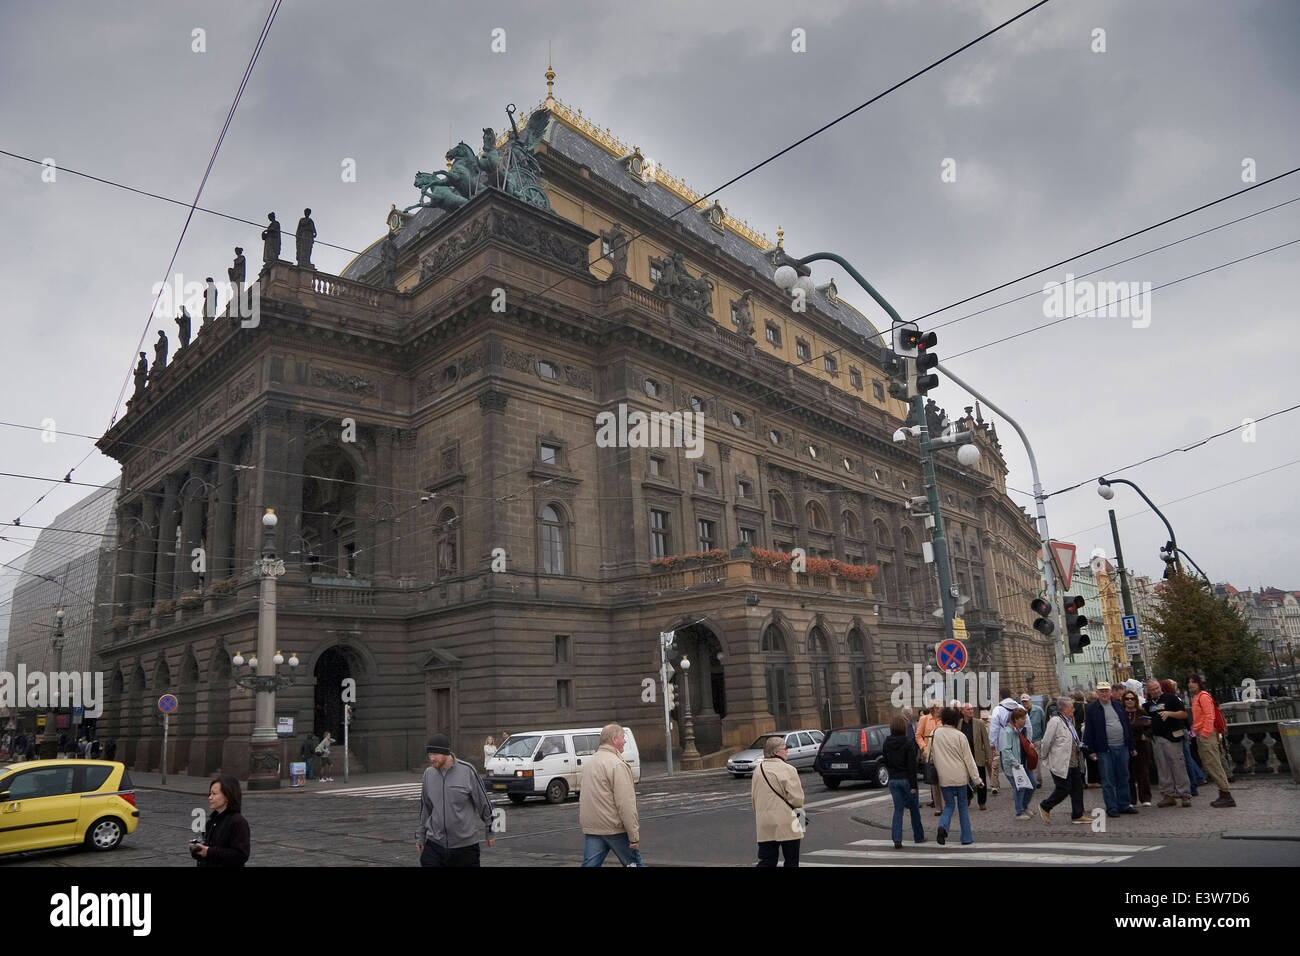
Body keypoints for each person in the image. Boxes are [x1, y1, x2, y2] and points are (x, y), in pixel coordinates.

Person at [416, 733, 495, 867]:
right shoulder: (428, 774)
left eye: (435, 754)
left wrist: (490, 831)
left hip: (465, 847)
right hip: (435, 844)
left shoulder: (467, 771)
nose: (431, 758)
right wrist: (421, 836)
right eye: (429, 754)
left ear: (446, 753)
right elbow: (425, 808)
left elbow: (483, 803)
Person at [580, 724, 643, 866]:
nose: (625, 741)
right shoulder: (617, 765)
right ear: (614, 740)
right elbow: (625, 803)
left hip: (594, 827)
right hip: (614, 828)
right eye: (623, 737)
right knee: (634, 863)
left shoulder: (590, 763)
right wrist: (633, 836)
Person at [1083, 682, 1138, 818]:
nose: (1104, 694)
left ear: (1110, 692)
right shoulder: (1092, 708)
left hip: (1122, 746)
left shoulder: (1118, 705)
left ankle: (1124, 804)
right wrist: (1090, 750)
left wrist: (1131, 746)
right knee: (1108, 779)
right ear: (1097, 693)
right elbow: (1089, 730)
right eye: (1101, 691)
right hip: (1105, 749)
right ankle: (1112, 807)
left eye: (1106, 691)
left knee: (1124, 776)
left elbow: (1126, 726)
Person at [932, 706, 984, 845]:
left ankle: (942, 826)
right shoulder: (960, 736)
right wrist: (977, 779)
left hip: (944, 777)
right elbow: (969, 760)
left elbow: (932, 756)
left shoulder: (935, 733)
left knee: (949, 805)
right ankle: (966, 838)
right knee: (963, 807)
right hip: (960, 777)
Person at [1038, 696, 1087, 824]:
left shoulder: (1069, 721)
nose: (1073, 710)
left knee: (1077, 789)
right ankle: (1045, 806)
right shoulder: (1055, 721)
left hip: (1073, 760)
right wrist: (1044, 756)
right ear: (1064, 708)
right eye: (1071, 707)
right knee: (1063, 788)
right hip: (1061, 761)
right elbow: (1047, 741)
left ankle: (1077, 815)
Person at [1189, 675, 1235, 807]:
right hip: (1202, 734)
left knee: (1214, 764)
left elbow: (1210, 716)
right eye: (1189, 682)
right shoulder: (1197, 697)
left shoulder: (1203, 696)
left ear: (1199, 683)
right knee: (1210, 764)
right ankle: (1223, 793)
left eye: (1193, 682)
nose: (1190, 684)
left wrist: (1205, 733)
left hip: (1207, 735)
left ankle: (1226, 794)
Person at [1144, 678, 1191, 807]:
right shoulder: (1148, 704)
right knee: (1162, 768)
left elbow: (1183, 714)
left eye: (1157, 688)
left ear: (1160, 687)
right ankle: (1168, 795)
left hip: (1172, 737)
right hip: (1157, 738)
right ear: (1148, 691)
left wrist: (1169, 713)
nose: (1155, 691)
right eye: (1152, 689)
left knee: (1178, 765)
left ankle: (1185, 794)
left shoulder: (1171, 698)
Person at [883, 716, 925, 848]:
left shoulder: (886, 743)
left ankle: (897, 839)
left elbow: (886, 761)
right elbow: (912, 766)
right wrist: (913, 785)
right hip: (907, 779)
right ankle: (918, 836)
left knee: (898, 810)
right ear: (903, 728)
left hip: (893, 780)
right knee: (914, 810)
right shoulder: (908, 743)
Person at [191, 776, 250, 866]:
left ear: (227, 796)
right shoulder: (211, 821)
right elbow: (207, 851)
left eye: (214, 794)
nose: (210, 797)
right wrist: (197, 849)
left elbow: (241, 855)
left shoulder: (237, 822)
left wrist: (209, 851)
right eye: (210, 794)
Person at [1000, 707, 1035, 819]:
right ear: (1016, 719)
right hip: (1015, 766)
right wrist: (1015, 763)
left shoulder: (1022, 730)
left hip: (1024, 763)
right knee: (1019, 787)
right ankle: (1019, 812)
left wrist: (1029, 746)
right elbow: (1006, 750)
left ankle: (1024, 807)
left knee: (1032, 784)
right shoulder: (1008, 731)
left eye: (1025, 717)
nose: (1025, 720)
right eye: (1022, 718)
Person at [1123, 689, 1153, 806]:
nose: (1130, 701)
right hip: (1127, 745)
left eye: (1132, 698)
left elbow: (1150, 727)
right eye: (1127, 699)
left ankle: (1145, 798)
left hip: (1141, 745)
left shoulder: (1142, 712)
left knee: (1143, 772)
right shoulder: (1121, 713)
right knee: (1128, 772)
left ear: (1135, 700)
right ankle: (1131, 799)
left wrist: (1146, 735)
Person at [987, 695, 1022, 795]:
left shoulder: (998, 709)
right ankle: (1019, 784)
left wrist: (992, 744)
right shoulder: (1020, 707)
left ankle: (1016, 785)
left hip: (1003, 739)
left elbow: (994, 729)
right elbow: (1028, 725)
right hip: (1019, 739)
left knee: (1004, 764)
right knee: (1018, 761)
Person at [959, 702, 991, 810]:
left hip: (977, 755)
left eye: (972, 709)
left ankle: (982, 802)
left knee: (981, 779)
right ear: (962, 711)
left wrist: (988, 756)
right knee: (964, 779)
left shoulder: (979, 723)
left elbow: (985, 740)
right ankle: (968, 795)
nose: (971, 711)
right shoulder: (958, 724)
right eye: (968, 709)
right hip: (964, 757)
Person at [916, 702, 944, 814]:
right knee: (934, 781)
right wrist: (924, 748)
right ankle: (938, 807)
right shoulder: (924, 719)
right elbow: (918, 736)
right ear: (934, 709)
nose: (941, 710)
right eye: (939, 708)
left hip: (943, 752)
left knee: (944, 780)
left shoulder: (944, 719)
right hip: (930, 754)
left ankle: (946, 805)